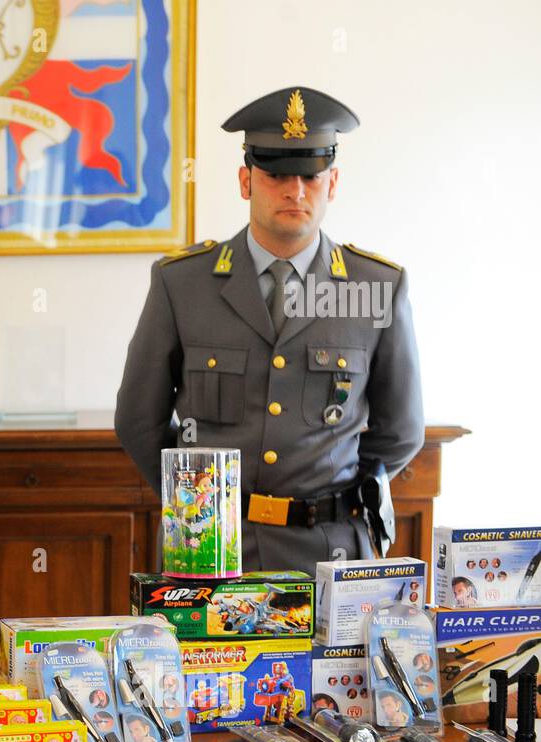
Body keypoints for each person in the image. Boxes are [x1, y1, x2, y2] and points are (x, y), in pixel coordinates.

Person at [115, 87, 424, 574]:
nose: (295, 190)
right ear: (246, 180)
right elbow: (138, 418)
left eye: (310, 175)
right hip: (208, 548)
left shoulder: (377, 287)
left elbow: (402, 431)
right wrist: (195, 501)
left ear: (333, 182)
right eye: (277, 173)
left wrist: (336, 488)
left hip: (330, 552)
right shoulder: (182, 283)